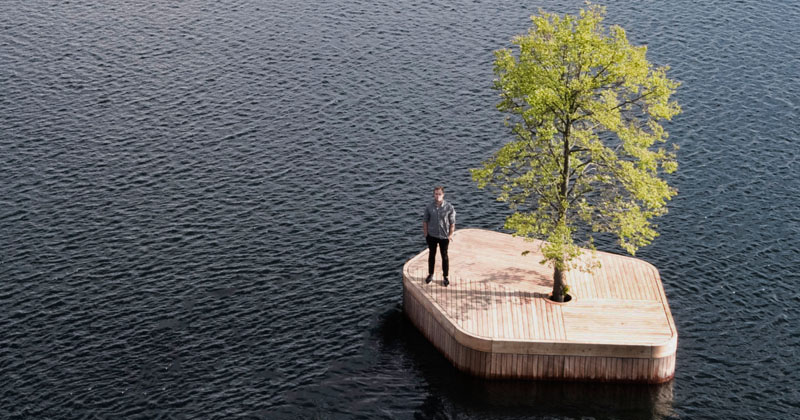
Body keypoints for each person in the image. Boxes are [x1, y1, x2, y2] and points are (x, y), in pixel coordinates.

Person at [422, 186, 456, 286]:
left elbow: (452, 223)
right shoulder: (429, 207)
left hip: (444, 236)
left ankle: (445, 276)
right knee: (431, 255)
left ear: (443, 195)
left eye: (439, 194)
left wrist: (450, 234)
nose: (437, 196)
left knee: (444, 256)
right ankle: (430, 274)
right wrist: (426, 233)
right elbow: (425, 221)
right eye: (436, 194)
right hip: (432, 235)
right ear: (434, 195)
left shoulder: (449, 207)